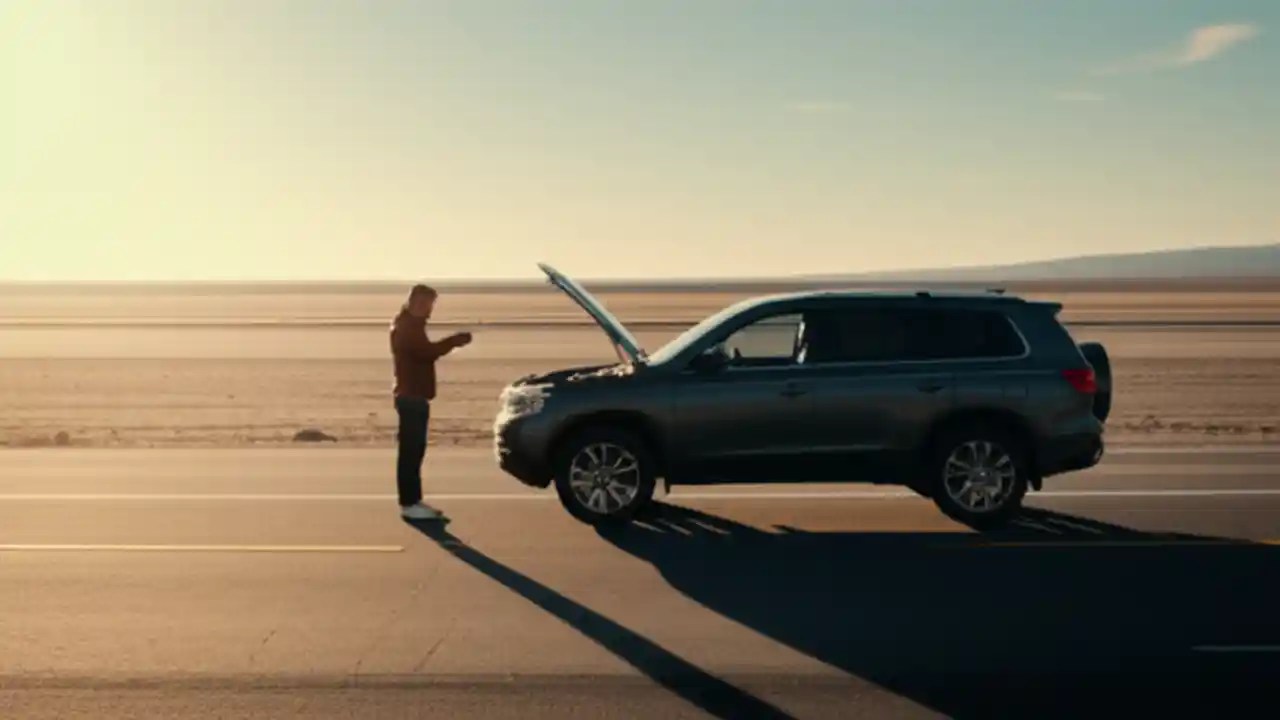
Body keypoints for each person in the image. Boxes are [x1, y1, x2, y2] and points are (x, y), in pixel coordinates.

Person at [390, 284, 472, 519]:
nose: (429, 309)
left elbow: (425, 352)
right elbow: (426, 353)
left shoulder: (411, 325)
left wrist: (452, 342)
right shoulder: (406, 327)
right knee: (411, 453)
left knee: (415, 452)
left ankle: (414, 501)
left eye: (431, 305)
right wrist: (453, 341)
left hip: (415, 396)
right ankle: (409, 503)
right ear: (415, 302)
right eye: (426, 304)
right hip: (410, 396)